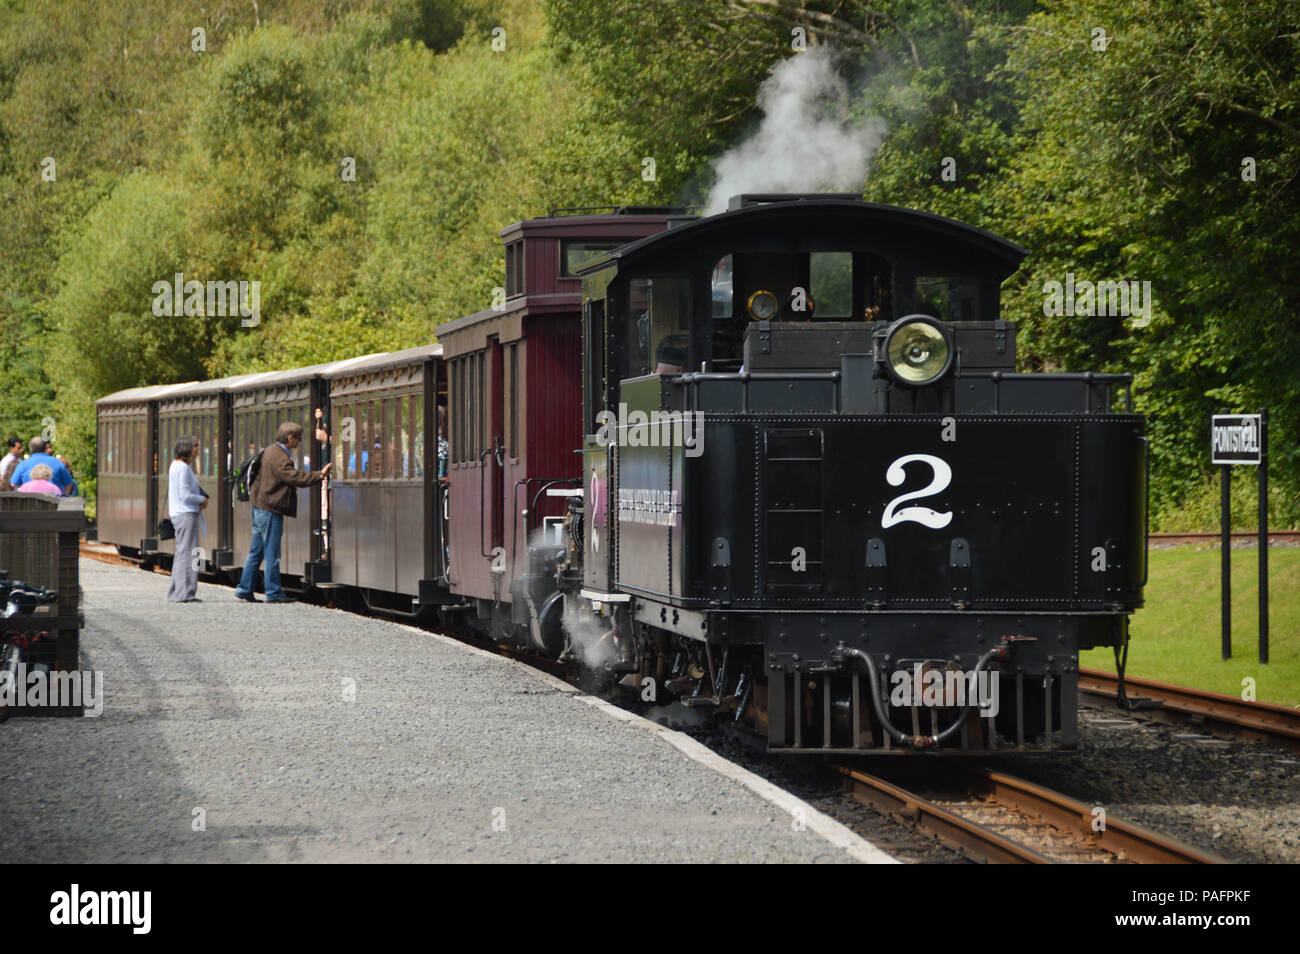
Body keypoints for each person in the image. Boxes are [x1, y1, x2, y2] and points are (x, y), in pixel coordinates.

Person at [234, 421, 330, 604]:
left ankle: (244, 589)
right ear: (290, 438)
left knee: (256, 551)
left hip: (260, 507)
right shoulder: (279, 456)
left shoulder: (270, 451)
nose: (299, 443)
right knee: (272, 553)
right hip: (270, 509)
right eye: (299, 439)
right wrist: (319, 475)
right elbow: (293, 476)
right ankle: (273, 593)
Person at [166, 436, 207, 603]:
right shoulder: (183, 468)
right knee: (189, 554)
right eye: (195, 446)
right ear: (187, 449)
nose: (198, 449)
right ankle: (185, 593)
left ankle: (176, 592)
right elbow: (185, 495)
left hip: (179, 514)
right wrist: (201, 500)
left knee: (181, 553)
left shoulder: (175, 466)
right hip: (186, 514)